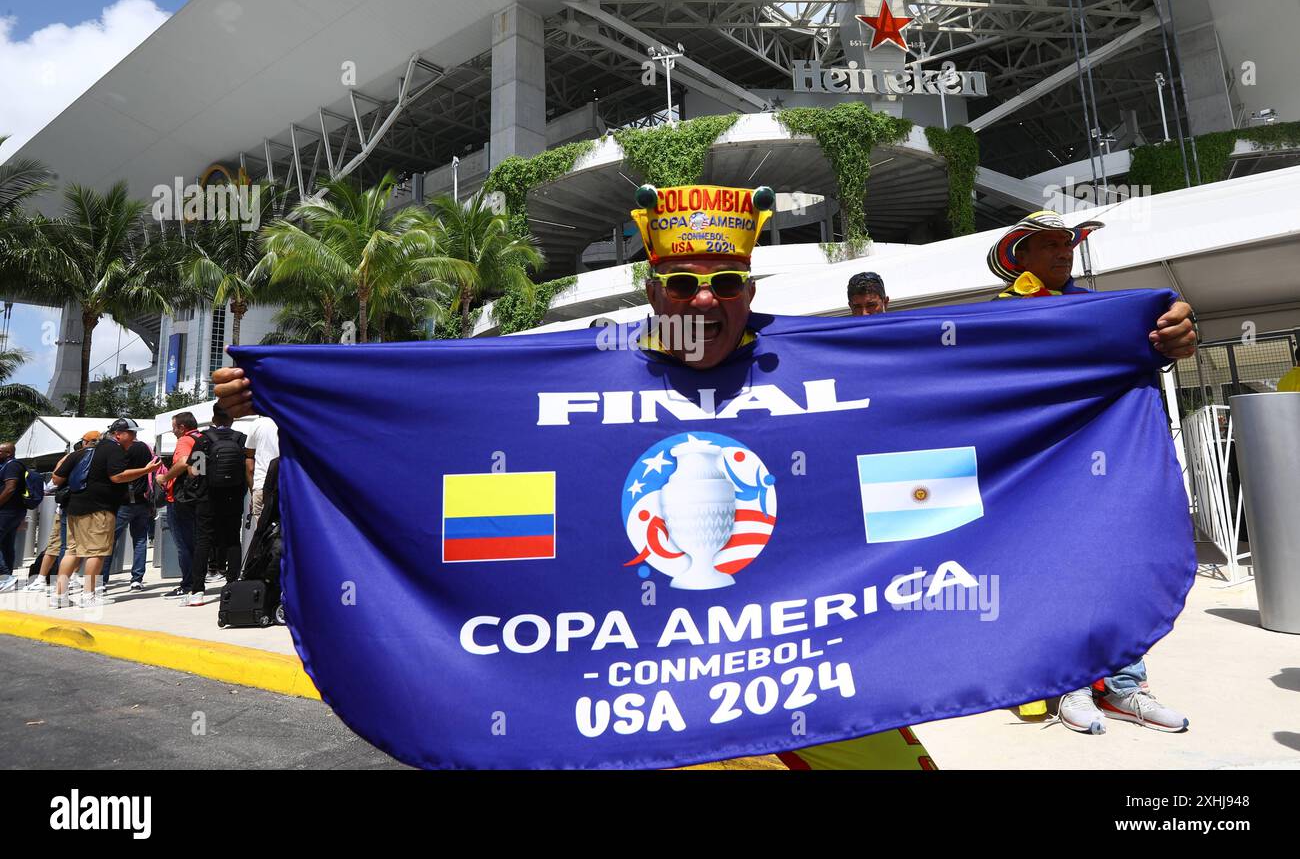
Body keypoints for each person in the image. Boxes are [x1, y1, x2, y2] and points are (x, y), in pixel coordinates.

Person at [214, 185, 1198, 764]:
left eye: (725, 284)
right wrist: (276, 394)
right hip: (611, 687)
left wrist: (1138, 338)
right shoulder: (564, 369)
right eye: (682, 284)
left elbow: (993, 373)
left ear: (748, 289)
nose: (704, 301)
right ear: (652, 288)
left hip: (831, 665)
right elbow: (426, 412)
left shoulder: (822, 360)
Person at [988, 209, 1195, 733]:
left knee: (1117, 568)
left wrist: (1174, 324)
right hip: (1040, 470)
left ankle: (1125, 685)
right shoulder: (998, 315)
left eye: (1069, 245)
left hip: (1104, 470)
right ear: (1023, 255)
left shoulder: (1097, 307)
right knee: (1057, 571)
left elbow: (1154, 343)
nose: (1064, 252)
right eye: (1052, 244)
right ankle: (1069, 683)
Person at [50, 427, 162, 608]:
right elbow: (117, 477)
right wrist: (146, 470)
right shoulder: (113, 450)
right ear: (118, 434)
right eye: (131, 433)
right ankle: (88, 595)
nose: (134, 437)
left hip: (74, 507)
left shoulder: (78, 454)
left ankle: (59, 595)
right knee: (98, 551)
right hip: (99, 509)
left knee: (72, 551)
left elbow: (55, 478)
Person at [186, 406, 248, 606]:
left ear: (213, 417)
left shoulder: (203, 439)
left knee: (203, 541)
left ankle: (197, 591)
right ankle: (232, 585)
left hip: (208, 497)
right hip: (234, 496)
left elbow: (195, 471)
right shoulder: (241, 438)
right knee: (232, 539)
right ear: (232, 418)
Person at [24, 433, 99, 593]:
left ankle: (48, 580)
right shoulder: (96, 459)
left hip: (68, 507)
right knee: (73, 546)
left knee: (62, 546)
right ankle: (59, 579)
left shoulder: (70, 458)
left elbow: (53, 482)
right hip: (84, 509)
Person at [103, 419, 156, 592]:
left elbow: (116, 474)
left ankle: (102, 580)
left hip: (122, 501)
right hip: (142, 500)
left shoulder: (120, 449)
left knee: (109, 541)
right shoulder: (144, 448)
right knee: (140, 540)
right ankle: (137, 579)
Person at [156, 413, 202, 599]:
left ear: (182, 427)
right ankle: (197, 579)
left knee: (183, 543)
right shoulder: (202, 438)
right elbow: (199, 470)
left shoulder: (184, 440)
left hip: (180, 499)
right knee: (196, 542)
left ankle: (188, 583)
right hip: (197, 497)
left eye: (174, 427)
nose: (173, 431)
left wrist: (165, 477)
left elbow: (183, 463)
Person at [0, 441, 27, 593]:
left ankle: (5, 577)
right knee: (6, 544)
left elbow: (10, 489)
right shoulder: (8, 465)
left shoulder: (12, 466)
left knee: (6, 544)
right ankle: (7, 578)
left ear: (8, 453)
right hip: (12, 511)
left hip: (7, 511)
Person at [245, 414, 280, 525]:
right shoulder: (288, 421)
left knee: (261, 535)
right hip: (283, 486)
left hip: (260, 486)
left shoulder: (257, 424)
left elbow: (250, 465)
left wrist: (253, 490)